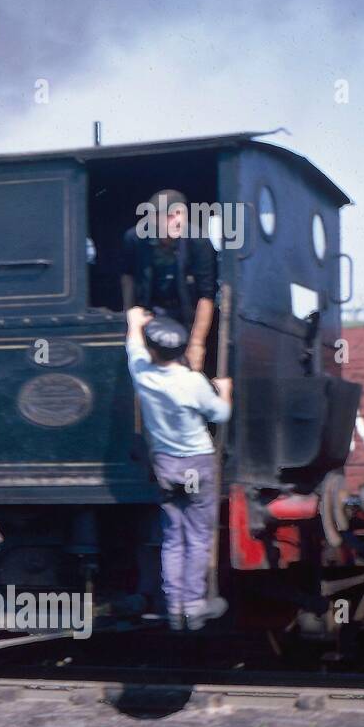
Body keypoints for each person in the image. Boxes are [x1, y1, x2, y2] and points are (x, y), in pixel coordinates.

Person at [125, 306, 233, 631]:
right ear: (182, 350)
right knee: (198, 537)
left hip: (167, 465)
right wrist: (225, 390)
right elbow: (221, 415)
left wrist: (134, 322)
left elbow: (133, 346)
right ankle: (194, 605)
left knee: (173, 537)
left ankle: (174, 609)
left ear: (152, 350)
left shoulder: (142, 374)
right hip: (197, 463)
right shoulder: (193, 382)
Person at [121, 189, 217, 372]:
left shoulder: (198, 241)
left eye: (180, 214)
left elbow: (206, 295)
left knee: (188, 369)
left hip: (185, 314)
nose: (177, 221)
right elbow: (128, 276)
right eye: (170, 216)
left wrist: (197, 343)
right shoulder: (134, 239)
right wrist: (130, 313)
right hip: (150, 311)